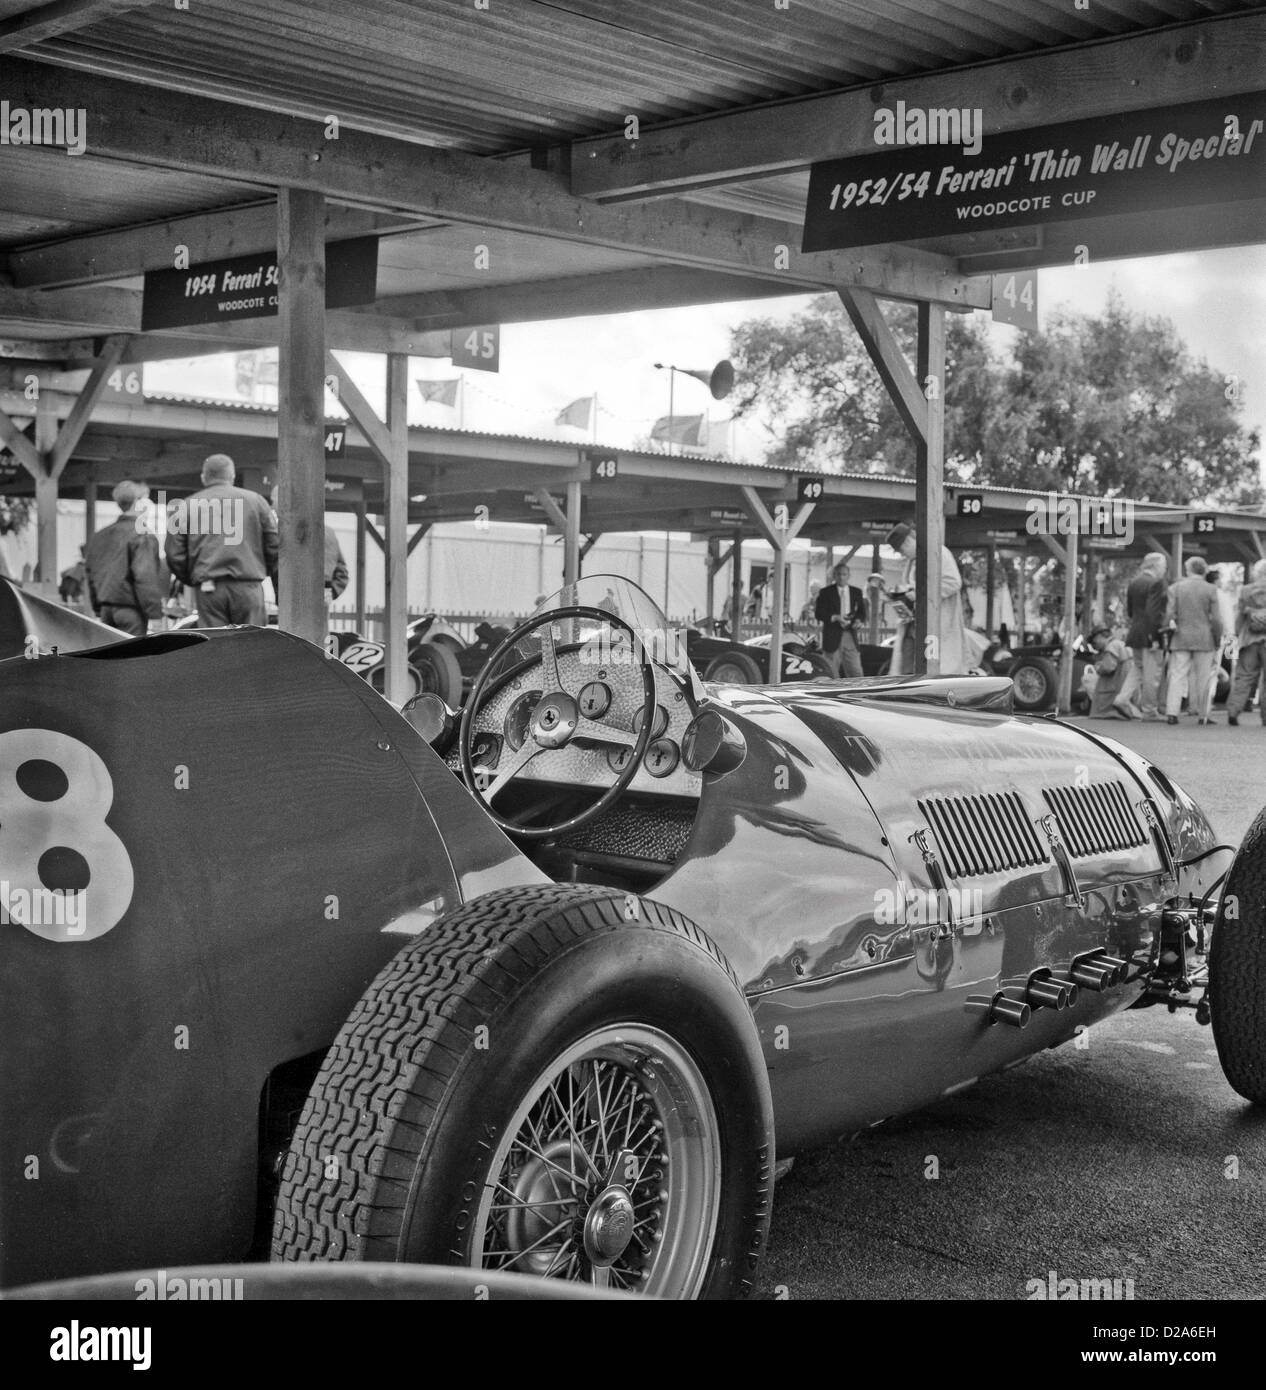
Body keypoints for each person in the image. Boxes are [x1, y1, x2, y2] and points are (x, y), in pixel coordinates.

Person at [166, 454, 278, 627]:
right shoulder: (257, 501)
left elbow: (174, 553)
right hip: (249, 586)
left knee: (215, 648)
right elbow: (274, 545)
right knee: (253, 646)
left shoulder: (186, 505)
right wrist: (262, 572)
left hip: (209, 589)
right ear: (232, 476)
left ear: (204, 478)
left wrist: (194, 578)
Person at [873, 522, 965, 675]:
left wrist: (920, 594)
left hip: (936, 625)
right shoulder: (911, 562)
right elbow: (911, 587)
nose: (902, 554)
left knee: (934, 669)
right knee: (907, 668)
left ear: (909, 541)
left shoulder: (939, 553)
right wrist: (898, 595)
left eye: (901, 549)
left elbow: (953, 582)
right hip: (913, 625)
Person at [83, 480, 164, 636]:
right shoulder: (142, 535)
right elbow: (144, 577)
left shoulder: (100, 536)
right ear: (138, 502)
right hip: (131, 612)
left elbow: (91, 573)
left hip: (106, 611)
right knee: (133, 659)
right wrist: (155, 614)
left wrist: (98, 608)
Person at [1164, 555, 1223, 725]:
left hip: (1181, 636)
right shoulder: (1210, 589)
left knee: (1177, 674)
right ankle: (1202, 714)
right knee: (1204, 677)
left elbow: (1169, 614)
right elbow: (1216, 619)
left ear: (1187, 569)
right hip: (1205, 638)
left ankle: (1172, 713)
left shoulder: (1176, 588)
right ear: (1204, 570)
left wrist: (1167, 627)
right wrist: (1217, 639)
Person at [269, 486, 349, 605]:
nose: (272, 507)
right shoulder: (328, 532)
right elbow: (342, 572)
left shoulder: (285, 532)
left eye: (273, 501)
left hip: (293, 600)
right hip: (321, 601)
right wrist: (331, 592)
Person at [1124, 553, 1168, 719]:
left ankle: (1122, 698)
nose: (1164, 570)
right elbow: (1153, 612)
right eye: (1163, 566)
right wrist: (1156, 637)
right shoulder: (1156, 583)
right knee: (1152, 673)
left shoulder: (1134, 582)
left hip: (1135, 631)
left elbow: (1129, 610)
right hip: (1150, 633)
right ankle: (1149, 710)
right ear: (1155, 566)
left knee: (1138, 668)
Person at [1227, 558, 1266, 727]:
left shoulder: (1245, 590)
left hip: (1249, 639)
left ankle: (1233, 711)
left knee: (1244, 676)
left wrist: (1235, 635)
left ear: (1258, 573)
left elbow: (1239, 617)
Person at [814, 559, 867, 677]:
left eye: (844, 574)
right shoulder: (825, 592)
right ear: (834, 576)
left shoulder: (856, 592)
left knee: (856, 673)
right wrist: (835, 617)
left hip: (850, 635)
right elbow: (818, 613)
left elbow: (862, 612)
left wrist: (859, 620)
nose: (842, 577)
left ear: (849, 576)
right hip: (832, 636)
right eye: (839, 574)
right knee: (830, 673)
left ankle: (858, 694)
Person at [1087, 625, 1139, 719]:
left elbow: (1108, 667)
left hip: (1117, 683)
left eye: (1095, 642)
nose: (1095, 646)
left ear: (1100, 637)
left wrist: (1099, 667)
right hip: (1126, 681)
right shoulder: (1120, 643)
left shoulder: (1112, 646)